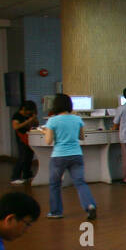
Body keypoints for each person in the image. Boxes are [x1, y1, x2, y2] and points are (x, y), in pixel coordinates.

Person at [41, 93, 97, 221]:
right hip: (76, 154)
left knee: (55, 184)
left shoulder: (52, 121)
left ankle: (56, 212)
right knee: (80, 183)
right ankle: (90, 205)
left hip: (59, 156)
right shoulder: (77, 119)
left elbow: (48, 141)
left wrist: (45, 132)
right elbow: (81, 137)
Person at [10, 101, 39, 185]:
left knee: (29, 155)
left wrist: (34, 119)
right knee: (22, 156)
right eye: (29, 110)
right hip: (21, 137)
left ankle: (27, 174)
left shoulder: (30, 115)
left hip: (29, 136)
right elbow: (16, 126)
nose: (29, 112)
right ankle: (15, 176)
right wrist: (28, 121)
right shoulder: (17, 116)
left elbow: (36, 124)